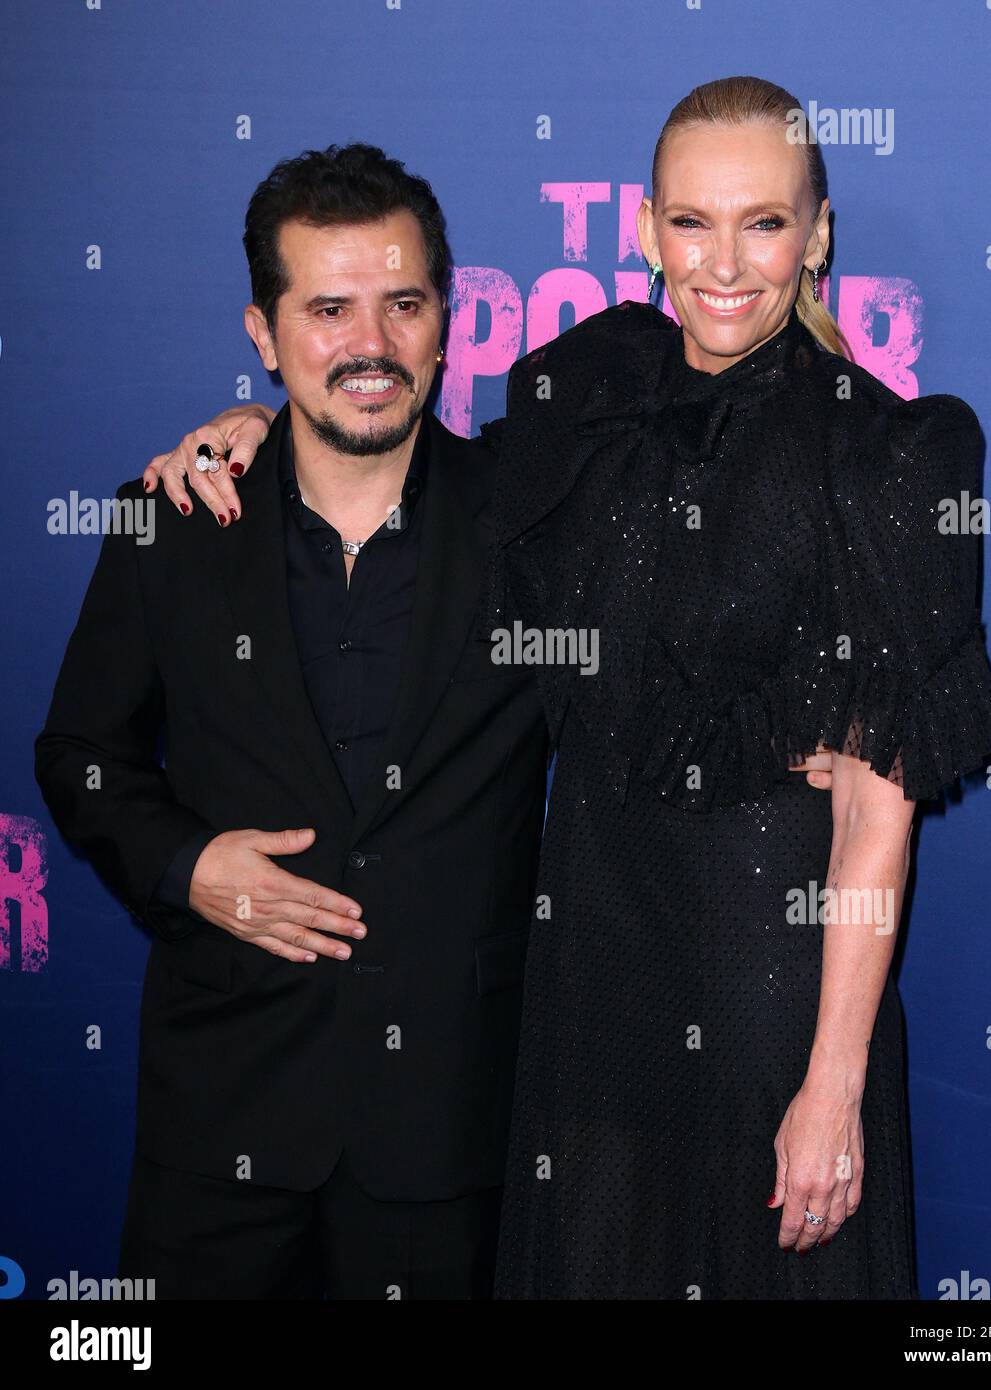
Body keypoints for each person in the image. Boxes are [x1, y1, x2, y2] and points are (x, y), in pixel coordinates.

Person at [142, 75, 985, 1300]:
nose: (725, 262)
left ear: (817, 233)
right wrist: (262, 425)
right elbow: (423, 483)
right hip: (589, 996)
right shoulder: (580, 397)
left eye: (764, 222)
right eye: (692, 222)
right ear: (645, 230)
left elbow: (873, 822)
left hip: (772, 1009)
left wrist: (832, 1083)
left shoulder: (890, 457)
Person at [34, 143, 553, 1299]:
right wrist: (189, 865)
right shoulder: (172, 522)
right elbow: (79, 757)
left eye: (402, 304)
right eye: (327, 310)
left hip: (448, 1132)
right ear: (265, 336)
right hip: (221, 1123)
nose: (369, 346)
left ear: (445, 320)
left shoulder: (534, 525)